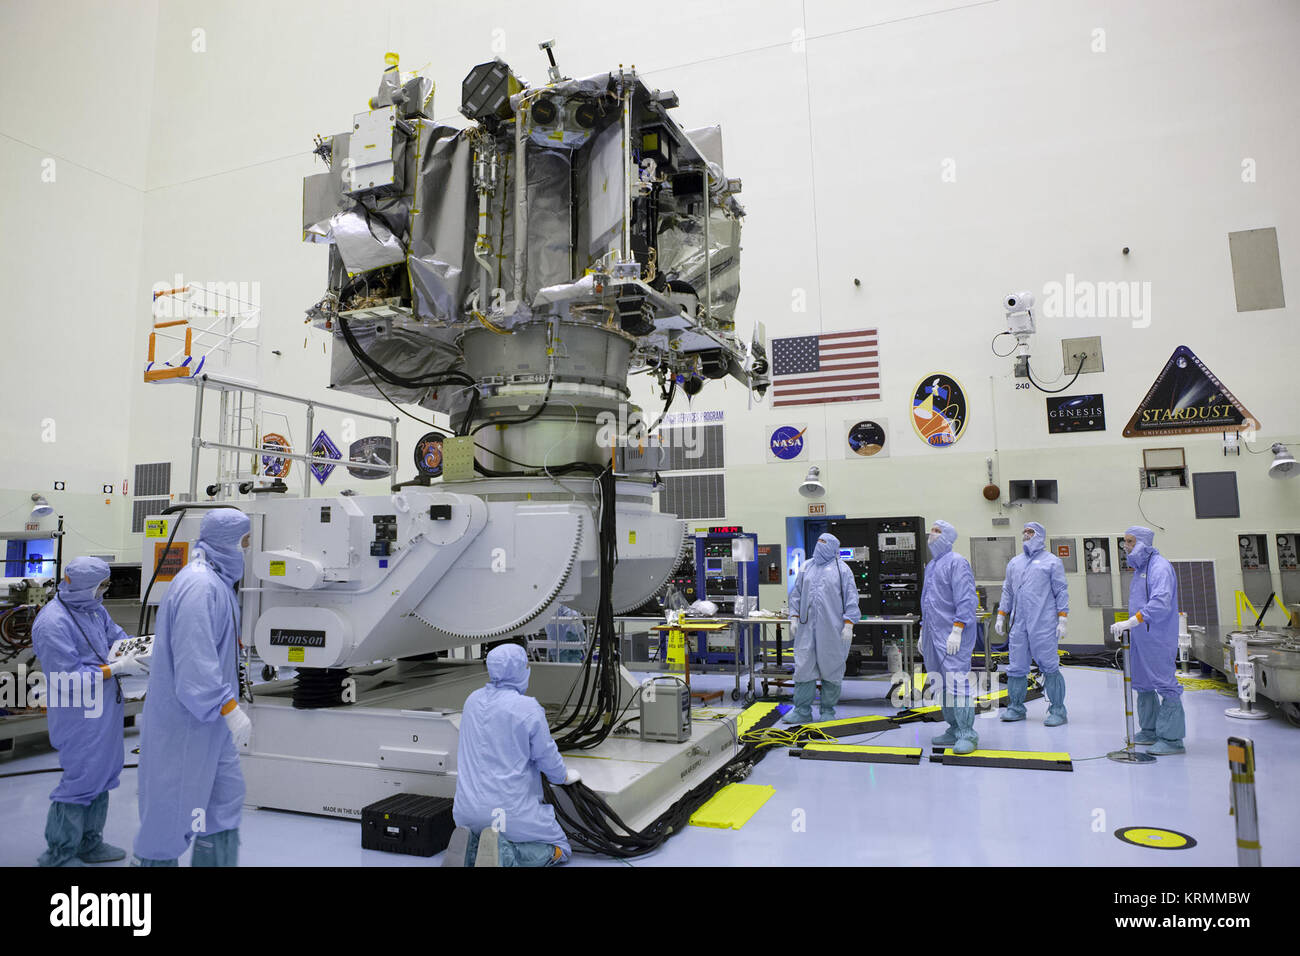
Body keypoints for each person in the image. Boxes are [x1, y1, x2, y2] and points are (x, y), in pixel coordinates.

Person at [133, 508, 253, 866]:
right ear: (229, 542)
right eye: (245, 542)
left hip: (210, 723)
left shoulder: (216, 583)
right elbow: (195, 664)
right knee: (171, 815)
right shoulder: (199, 586)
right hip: (186, 723)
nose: (247, 549)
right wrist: (230, 710)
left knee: (224, 800)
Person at [30, 557, 147, 866]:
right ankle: (59, 851)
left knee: (103, 772)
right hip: (77, 712)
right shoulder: (53, 622)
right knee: (82, 775)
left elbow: (115, 636)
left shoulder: (93, 608)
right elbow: (66, 678)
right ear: (83, 586)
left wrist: (135, 651)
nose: (105, 591)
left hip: (105, 706)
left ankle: (89, 843)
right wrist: (115, 669)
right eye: (102, 585)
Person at [444, 643, 579, 867]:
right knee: (560, 848)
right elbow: (546, 755)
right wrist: (563, 777)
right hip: (509, 815)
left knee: (483, 833)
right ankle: (507, 855)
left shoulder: (472, 701)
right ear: (518, 669)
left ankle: (471, 847)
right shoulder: (527, 708)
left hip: (465, 813)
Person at [1110, 526, 1184, 755]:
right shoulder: (1140, 569)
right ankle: (1150, 730)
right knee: (1143, 682)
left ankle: (1172, 740)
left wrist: (1132, 621)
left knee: (1164, 682)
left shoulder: (1159, 567)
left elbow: (1161, 602)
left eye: (1130, 542)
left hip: (1157, 636)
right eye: (1125, 542)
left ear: (1143, 543)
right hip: (1141, 636)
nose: (1126, 547)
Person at [996, 522, 1069, 726]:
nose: (1026, 535)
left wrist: (1062, 617)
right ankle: (1016, 707)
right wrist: (1001, 614)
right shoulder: (1015, 563)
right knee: (1016, 666)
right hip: (1019, 624)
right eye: (1025, 531)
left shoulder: (1051, 562)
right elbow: (1008, 590)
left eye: (1031, 532)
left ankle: (1058, 710)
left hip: (1043, 623)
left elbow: (1061, 590)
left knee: (1049, 666)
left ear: (1040, 536)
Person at [784, 533, 859, 723]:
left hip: (832, 629)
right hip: (806, 628)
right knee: (803, 666)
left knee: (832, 668)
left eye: (824, 543)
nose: (819, 545)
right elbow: (796, 595)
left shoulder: (842, 570)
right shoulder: (806, 566)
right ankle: (802, 711)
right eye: (818, 541)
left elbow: (851, 599)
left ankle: (827, 711)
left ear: (834, 548)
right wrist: (793, 617)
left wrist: (849, 625)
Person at [921, 520, 979, 754]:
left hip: (953, 634)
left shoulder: (957, 563)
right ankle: (954, 728)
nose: (932, 535)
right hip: (933, 634)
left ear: (947, 537)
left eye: (937, 531)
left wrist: (957, 629)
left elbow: (966, 599)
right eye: (932, 531)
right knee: (941, 682)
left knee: (957, 683)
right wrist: (924, 629)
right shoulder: (931, 566)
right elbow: (928, 601)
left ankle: (968, 733)